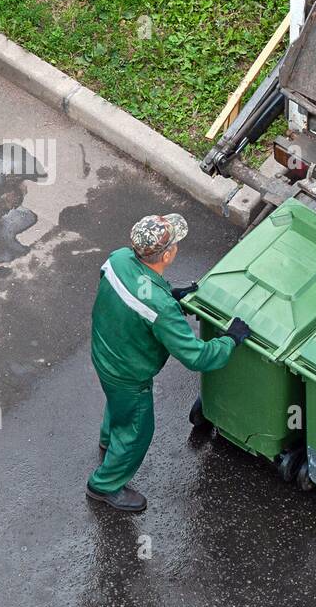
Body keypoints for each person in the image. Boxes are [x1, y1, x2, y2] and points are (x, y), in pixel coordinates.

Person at [87, 213, 251, 512]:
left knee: (118, 405)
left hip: (103, 352)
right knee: (137, 431)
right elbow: (197, 356)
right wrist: (231, 339)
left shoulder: (118, 259)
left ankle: (108, 440)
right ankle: (104, 485)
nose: (177, 246)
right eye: (175, 243)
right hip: (129, 373)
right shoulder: (160, 309)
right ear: (166, 254)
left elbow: (131, 297)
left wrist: (172, 296)